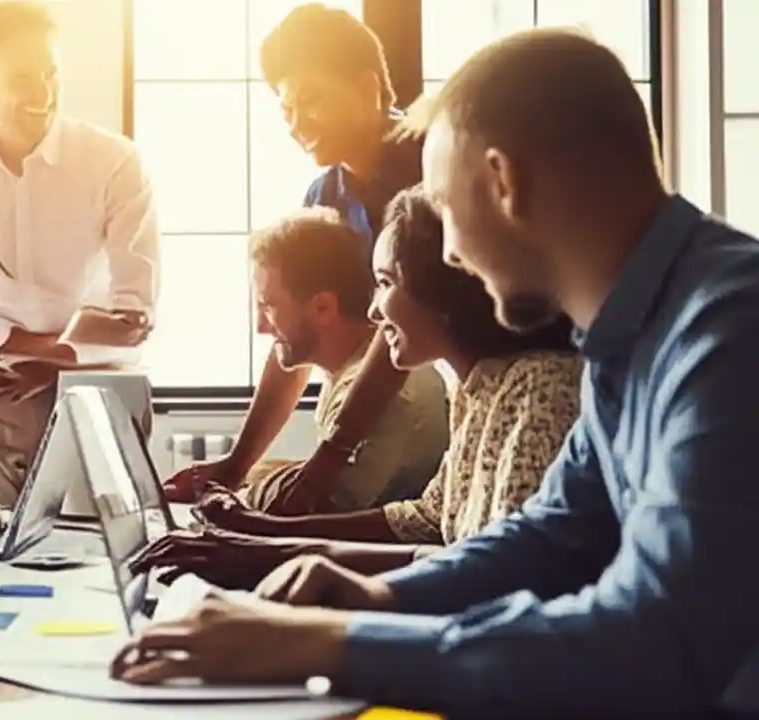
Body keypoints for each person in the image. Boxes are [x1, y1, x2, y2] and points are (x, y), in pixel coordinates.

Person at [112, 29, 759, 717]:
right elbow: (553, 533)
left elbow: (656, 642)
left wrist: (337, 644)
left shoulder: (728, 336)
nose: (448, 252)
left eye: (445, 210)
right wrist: (379, 598)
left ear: (502, 181)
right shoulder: (627, 333)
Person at [130, 186, 581, 588]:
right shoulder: (477, 390)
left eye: (385, 284)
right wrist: (264, 532)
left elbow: (504, 575)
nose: (373, 312)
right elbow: (424, 520)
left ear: (440, 289)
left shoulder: (538, 386)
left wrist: (276, 553)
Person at [163, 3, 426, 514]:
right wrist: (237, 465)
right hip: (370, 431)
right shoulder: (324, 194)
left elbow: (407, 322)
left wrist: (330, 457)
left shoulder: (431, 169)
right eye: (286, 110)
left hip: (439, 411)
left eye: (311, 101)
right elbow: (295, 328)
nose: (296, 124)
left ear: (369, 89)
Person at [0, 0, 159, 505]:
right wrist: (13, 353)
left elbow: (135, 308)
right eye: (25, 78)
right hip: (0, 386)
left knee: (103, 553)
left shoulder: (116, 163)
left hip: (100, 384)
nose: (45, 93)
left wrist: (52, 357)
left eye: (52, 74)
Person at [229, 207, 447, 516]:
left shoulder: (384, 395)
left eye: (268, 305)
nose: (260, 327)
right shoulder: (344, 372)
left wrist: (238, 498)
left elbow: (316, 511)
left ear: (323, 308)